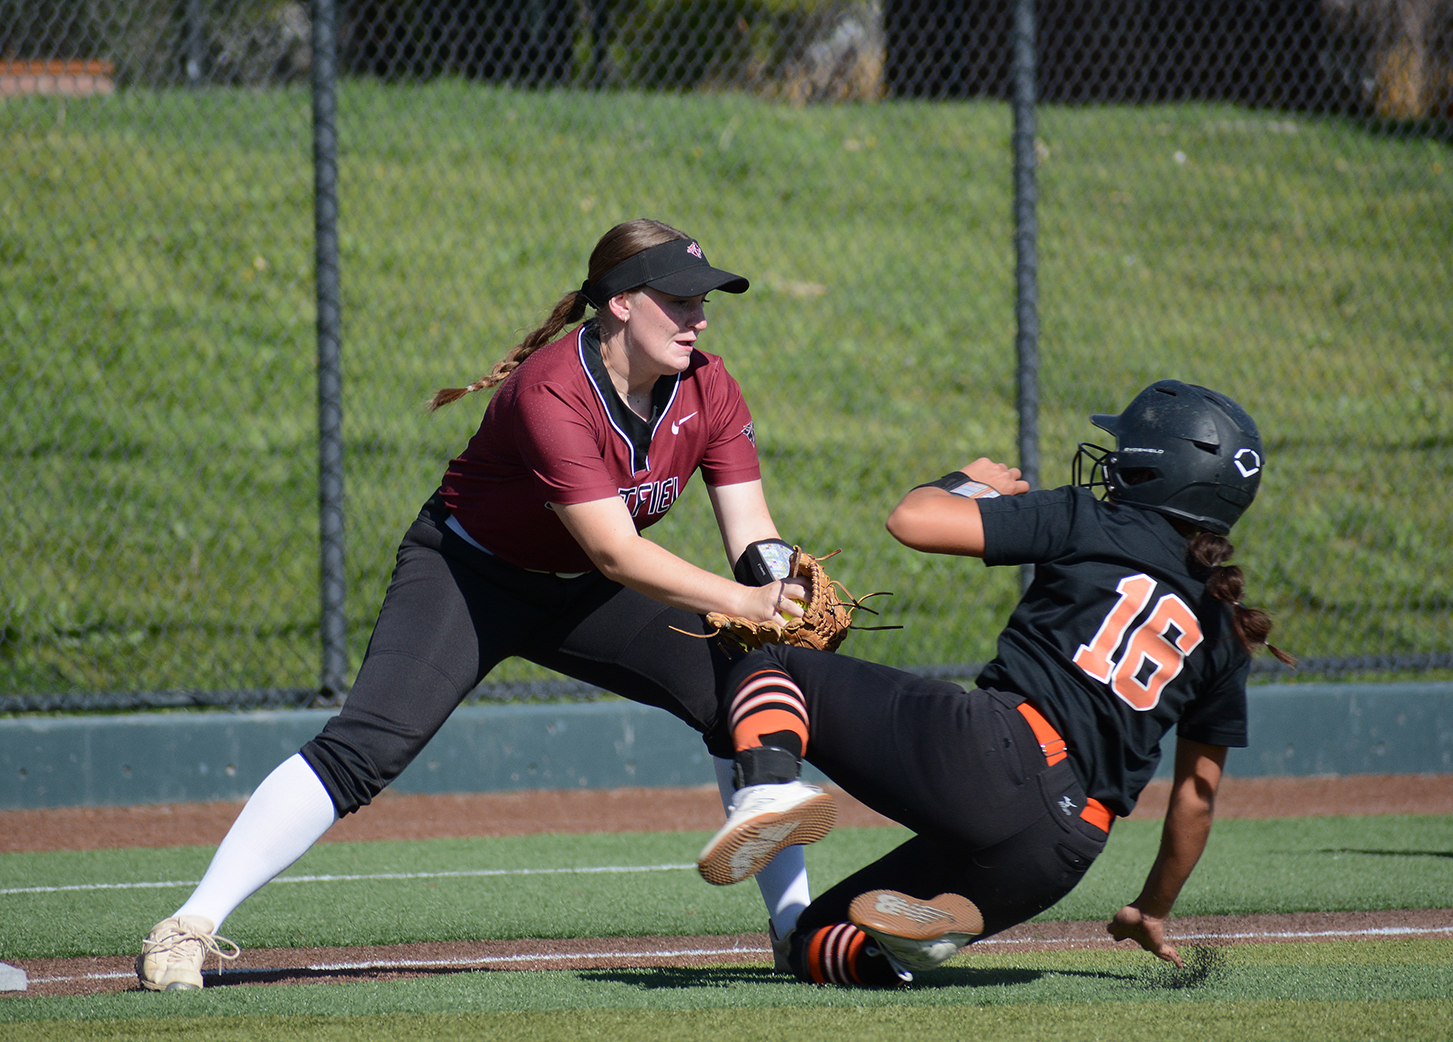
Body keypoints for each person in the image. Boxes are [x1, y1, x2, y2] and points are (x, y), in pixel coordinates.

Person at [136, 219, 821, 990]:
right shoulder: (553, 388)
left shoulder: (709, 384)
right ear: (622, 304)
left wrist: (779, 585)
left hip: (587, 596)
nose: (700, 318)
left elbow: (752, 533)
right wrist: (744, 600)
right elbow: (615, 550)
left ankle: (796, 931)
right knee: (367, 748)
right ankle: (187, 926)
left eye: (706, 301)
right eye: (681, 300)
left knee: (742, 688)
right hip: (469, 574)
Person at [694, 380, 1295, 985]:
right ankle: (916, 938)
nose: (1112, 465)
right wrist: (1152, 907)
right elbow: (1196, 795)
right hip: (1062, 849)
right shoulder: (1225, 627)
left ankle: (769, 789)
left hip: (996, 757)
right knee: (815, 948)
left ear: (1155, 469)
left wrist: (967, 481)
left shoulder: (1091, 520)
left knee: (772, 659)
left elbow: (912, 521)